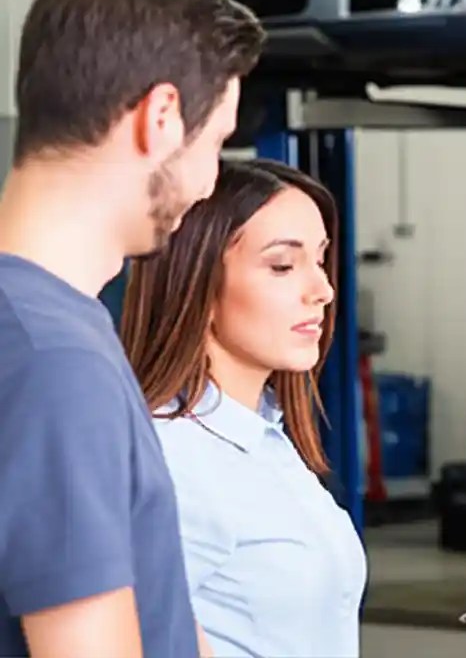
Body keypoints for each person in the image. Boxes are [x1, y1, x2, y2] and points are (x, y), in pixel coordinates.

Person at [0, 0, 263, 658]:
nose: (210, 182)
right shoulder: (55, 361)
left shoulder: (50, 325)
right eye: (217, 143)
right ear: (162, 118)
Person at [117, 158, 369, 657]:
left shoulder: (265, 435)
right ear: (198, 283)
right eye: (282, 265)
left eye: (320, 259)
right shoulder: (171, 458)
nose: (322, 290)